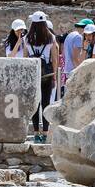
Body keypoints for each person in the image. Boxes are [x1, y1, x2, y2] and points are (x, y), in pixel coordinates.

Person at [24, 14, 59, 142]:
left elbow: (25, 58)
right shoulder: (51, 38)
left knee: (35, 104)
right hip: (47, 74)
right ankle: (45, 132)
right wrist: (54, 75)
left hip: (33, 74)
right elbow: (54, 59)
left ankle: (36, 133)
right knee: (45, 103)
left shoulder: (27, 38)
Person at [60, 19, 88, 88]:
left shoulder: (70, 35)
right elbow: (75, 58)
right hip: (74, 72)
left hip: (67, 71)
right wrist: (81, 73)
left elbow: (63, 54)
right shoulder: (79, 37)